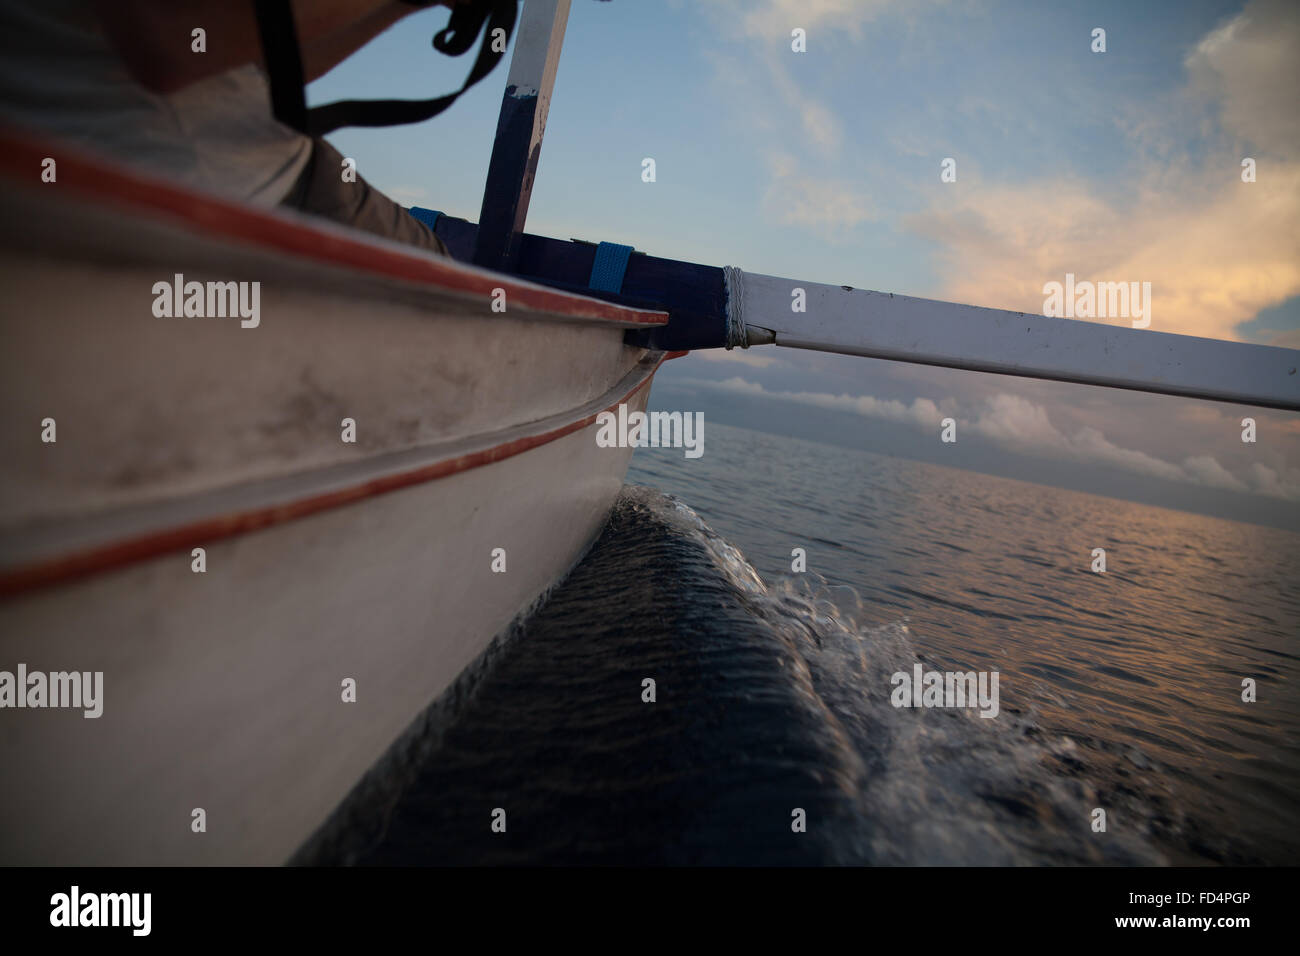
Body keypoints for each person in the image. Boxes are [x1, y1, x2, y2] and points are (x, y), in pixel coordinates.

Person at [0, 0, 459, 253]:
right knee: (443, 280)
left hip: (223, 153)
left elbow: (265, 67)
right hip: (206, 172)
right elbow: (169, 41)